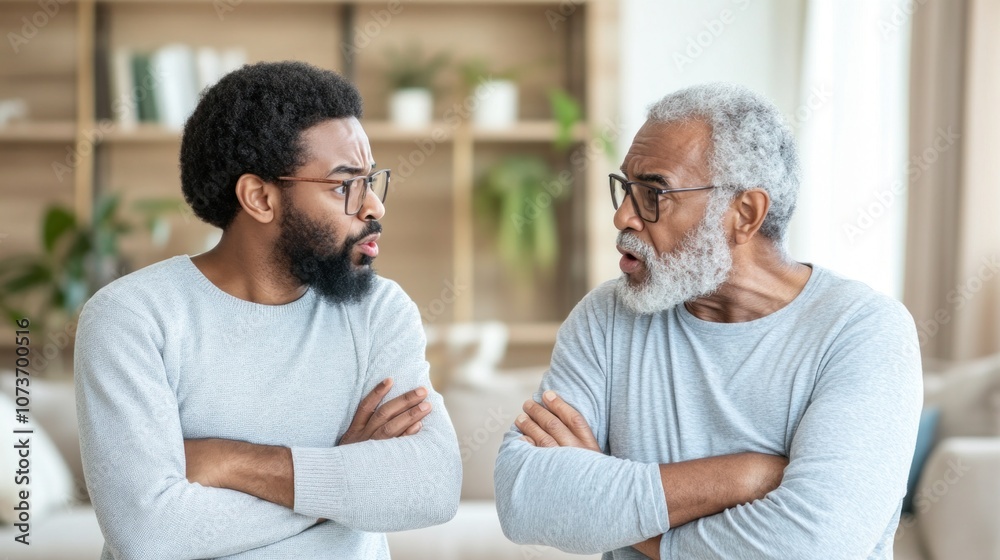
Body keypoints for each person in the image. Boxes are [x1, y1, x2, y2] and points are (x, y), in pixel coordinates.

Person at [494, 83, 922, 559]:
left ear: (745, 214)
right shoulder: (605, 317)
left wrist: (635, 523)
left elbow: (812, 545)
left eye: (654, 192)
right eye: (625, 189)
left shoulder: (865, 331)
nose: (623, 217)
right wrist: (742, 477)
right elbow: (525, 500)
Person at [75, 61, 461, 559]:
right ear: (259, 197)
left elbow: (432, 486)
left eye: (372, 179)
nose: (374, 208)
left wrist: (232, 462)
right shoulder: (131, 318)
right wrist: (340, 476)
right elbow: (149, 533)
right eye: (344, 185)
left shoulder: (380, 312)